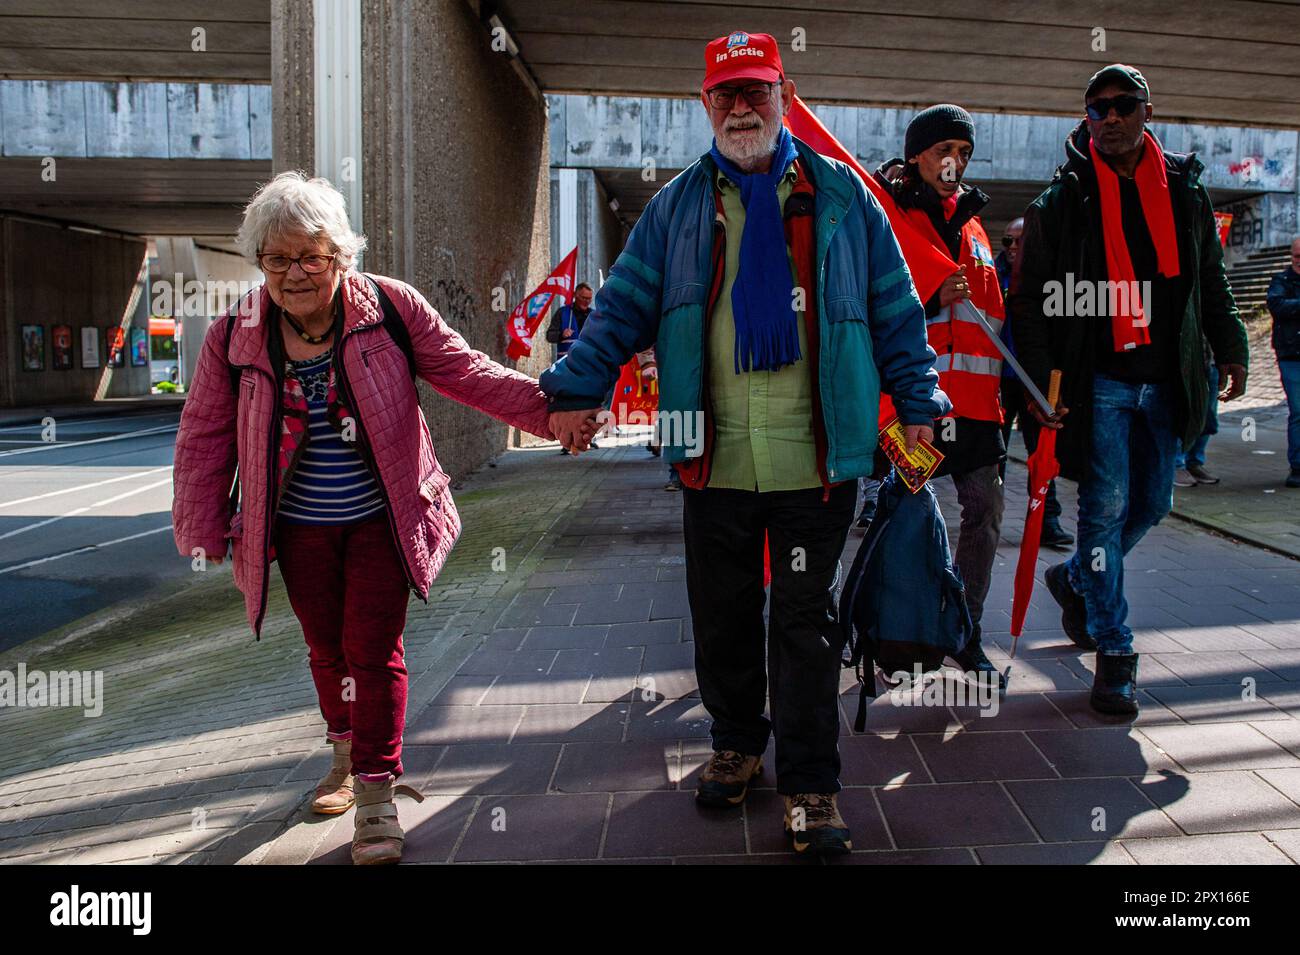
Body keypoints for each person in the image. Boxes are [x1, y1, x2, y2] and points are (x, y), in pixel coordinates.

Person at [542, 31, 948, 856]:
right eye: (725, 95)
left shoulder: (844, 197)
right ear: (705, 104)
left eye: (755, 91)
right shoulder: (676, 207)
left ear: (783, 94)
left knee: (804, 624)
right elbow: (620, 308)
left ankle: (810, 785)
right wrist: (575, 390)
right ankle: (736, 740)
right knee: (722, 615)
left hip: (816, 460)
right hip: (710, 456)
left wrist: (920, 404)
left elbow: (896, 309)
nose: (740, 108)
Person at [171, 172, 554, 864]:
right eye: (277, 258)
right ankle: (343, 753)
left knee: (372, 648)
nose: (294, 273)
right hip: (295, 527)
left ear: (340, 255)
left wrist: (550, 412)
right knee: (325, 646)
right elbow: (203, 432)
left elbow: (466, 372)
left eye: (310, 256)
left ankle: (376, 792)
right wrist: (201, 529)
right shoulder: (237, 332)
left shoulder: (388, 308)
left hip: (383, 517)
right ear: (260, 261)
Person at [1010, 65, 1248, 715]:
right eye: (1097, 109)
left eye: (1123, 105)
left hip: (1168, 379)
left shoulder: (1184, 193)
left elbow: (1208, 282)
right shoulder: (1063, 201)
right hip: (1101, 383)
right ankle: (1114, 652)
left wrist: (1232, 347)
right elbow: (1027, 303)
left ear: (1147, 111)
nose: (1110, 118)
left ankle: (1076, 581)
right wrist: (1037, 382)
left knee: (1153, 501)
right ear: (1086, 119)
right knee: (1103, 511)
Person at [876, 104, 1007, 684]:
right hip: (915, 410)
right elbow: (870, 306)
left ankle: (963, 631)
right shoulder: (888, 219)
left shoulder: (976, 227)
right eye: (942, 151)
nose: (955, 162)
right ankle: (900, 628)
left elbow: (994, 319)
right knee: (905, 518)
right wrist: (931, 297)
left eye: (965, 152)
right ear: (915, 157)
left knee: (986, 512)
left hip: (975, 411)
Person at [997, 217, 1073, 547]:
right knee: (992, 454)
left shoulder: (1047, 275)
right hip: (997, 380)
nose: (1013, 247)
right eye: (1007, 242)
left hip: (1034, 382)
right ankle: (989, 516)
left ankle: (1046, 519)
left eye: (1020, 240)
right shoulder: (991, 275)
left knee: (1040, 453)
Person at [547, 282, 596, 454]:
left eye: (589, 299)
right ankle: (566, 441)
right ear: (575, 296)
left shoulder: (594, 315)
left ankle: (588, 438)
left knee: (589, 401)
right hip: (567, 368)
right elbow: (549, 335)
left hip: (589, 367)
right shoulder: (563, 313)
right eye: (583, 298)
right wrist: (561, 335)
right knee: (568, 402)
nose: (586, 302)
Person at [1267, 237, 1300, 488]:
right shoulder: (1282, 280)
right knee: (1298, 411)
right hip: (1291, 355)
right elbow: (1277, 305)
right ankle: (1297, 466)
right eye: (1296, 256)